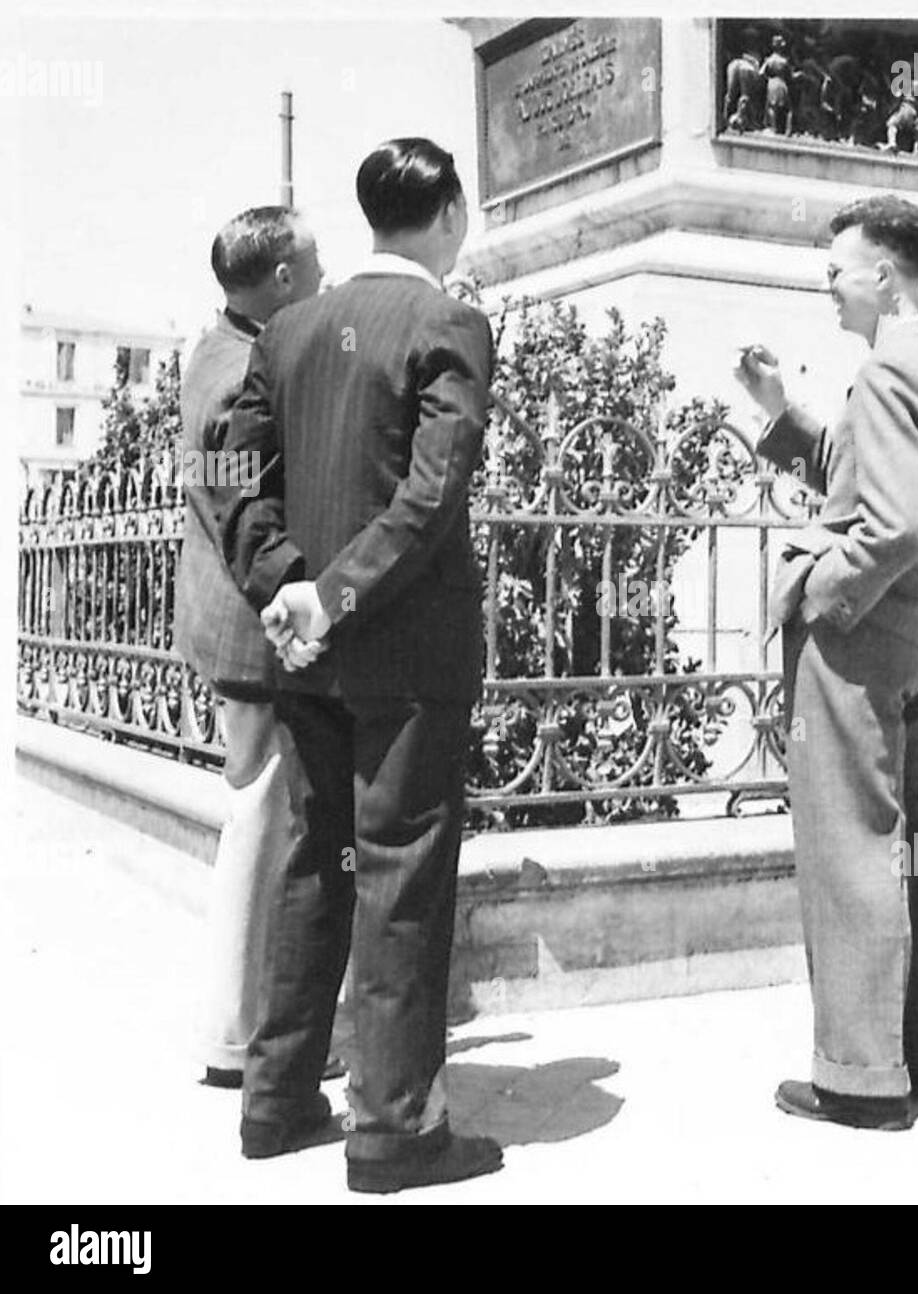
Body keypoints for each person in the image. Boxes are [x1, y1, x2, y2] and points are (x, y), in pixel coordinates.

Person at [218, 138, 501, 1192]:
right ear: (450, 213)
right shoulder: (448, 322)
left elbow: (229, 476)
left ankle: (277, 1100)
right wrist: (332, 593)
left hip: (304, 653)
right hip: (407, 654)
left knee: (315, 867)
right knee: (400, 878)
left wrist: (288, 584)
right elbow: (430, 495)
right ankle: (392, 1132)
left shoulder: (283, 329)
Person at [733, 193, 918, 1130]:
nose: (826, 287)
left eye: (836, 271)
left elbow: (885, 523)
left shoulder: (882, 373)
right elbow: (876, 473)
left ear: (885, 274)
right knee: (917, 842)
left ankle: (861, 1079)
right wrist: (780, 412)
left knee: (851, 849)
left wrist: (813, 592)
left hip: (862, 643)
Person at [172, 206, 349, 1091]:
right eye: (313, 261)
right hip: (252, 630)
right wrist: (286, 601)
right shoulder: (241, 366)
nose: (323, 272)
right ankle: (240, 1035)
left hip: (227, 624)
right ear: (280, 277)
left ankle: (241, 1025)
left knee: (259, 809)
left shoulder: (220, 349)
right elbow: (229, 505)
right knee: (262, 816)